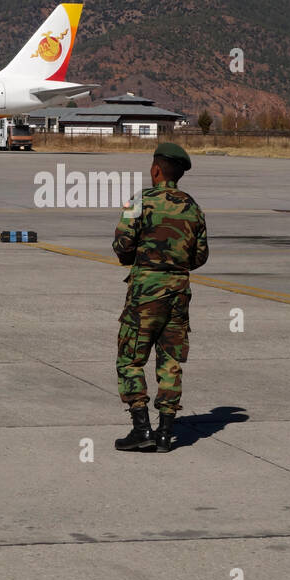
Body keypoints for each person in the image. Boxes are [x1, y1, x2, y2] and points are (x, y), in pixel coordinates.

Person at [112, 143, 208, 453]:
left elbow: (122, 245)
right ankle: (166, 432)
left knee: (130, 358)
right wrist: (174, 267)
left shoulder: (139, 201)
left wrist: (145, 262)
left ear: (155, 170)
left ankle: (142, 428)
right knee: (170, 360)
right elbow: (201, 255)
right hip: (179, 292)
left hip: (144, 294)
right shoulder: (193, 207)